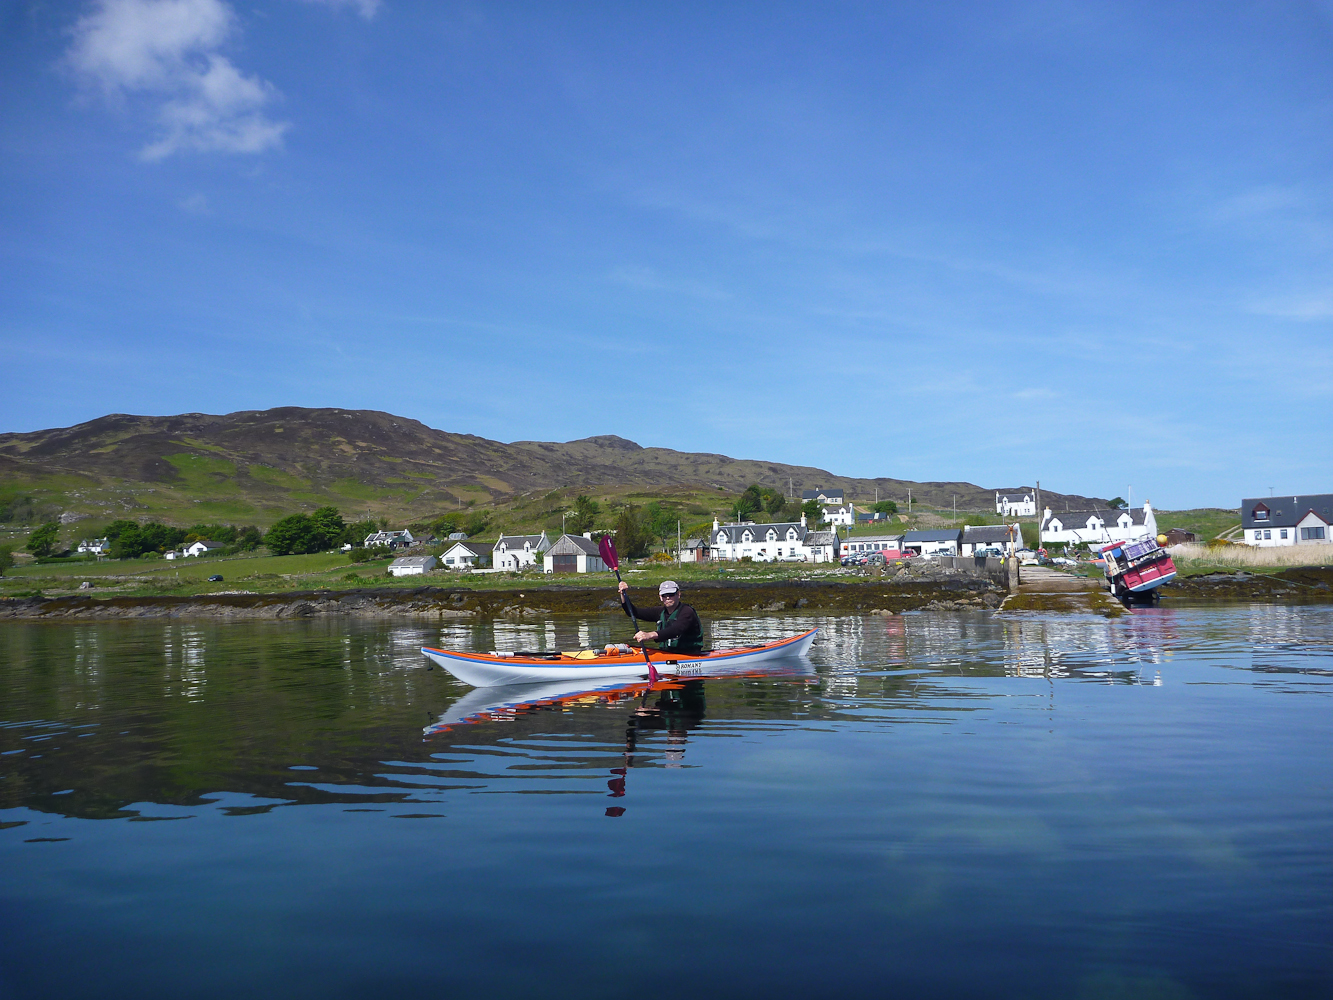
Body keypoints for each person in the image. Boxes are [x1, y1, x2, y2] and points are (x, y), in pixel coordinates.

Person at [618, 579, 704, 653]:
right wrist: (623, 594)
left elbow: (676, 629)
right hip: (667, 653)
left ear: (678, 594)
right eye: (664, 595)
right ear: (660, 597)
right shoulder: (660, 611)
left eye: (671, 594)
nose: (667, 598)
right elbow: (633, 612)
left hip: (690, 654)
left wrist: (650, 635)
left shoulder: (687, 611)